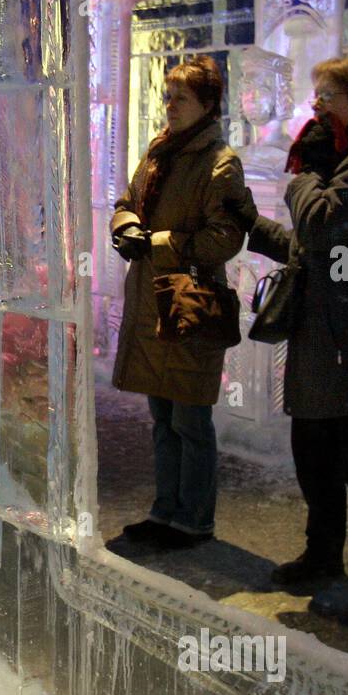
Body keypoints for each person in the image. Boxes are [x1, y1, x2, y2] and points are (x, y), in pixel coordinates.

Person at [225, 55, 348, 623]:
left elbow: (319, 226)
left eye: (328, 96)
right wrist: (248, 221)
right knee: (315, 455)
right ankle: (323, 555)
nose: (316, 108)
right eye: (316, 96)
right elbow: (316, 250)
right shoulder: (341, 164)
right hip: (327, 340)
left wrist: (305, 173)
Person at [110, 55, 247, 549]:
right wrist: (126, 229)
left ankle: (194, 519)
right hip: (151, 297)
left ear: (208, 105)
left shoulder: (220, 163)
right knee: (162, 416)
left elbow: (227, 235)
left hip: (190, 300)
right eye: (167, 97)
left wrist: (160, 243)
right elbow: (126, 200)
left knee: (190, 418)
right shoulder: (159, 153)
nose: (169, 107)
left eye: (180, 98)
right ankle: (165, 511)